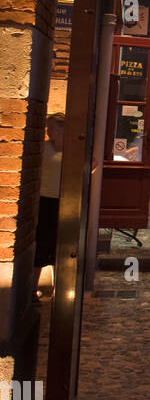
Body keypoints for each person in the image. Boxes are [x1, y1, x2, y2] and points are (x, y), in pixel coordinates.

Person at [34, 113, 64, 297]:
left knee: (59, 245)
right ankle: (32, 290)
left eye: (51, 127)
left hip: (62, 200)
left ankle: (58, 289)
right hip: (44, 200)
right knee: (41, 243)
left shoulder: (71, 150)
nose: (48, 130)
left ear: (62, 128)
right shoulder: (44, 148)